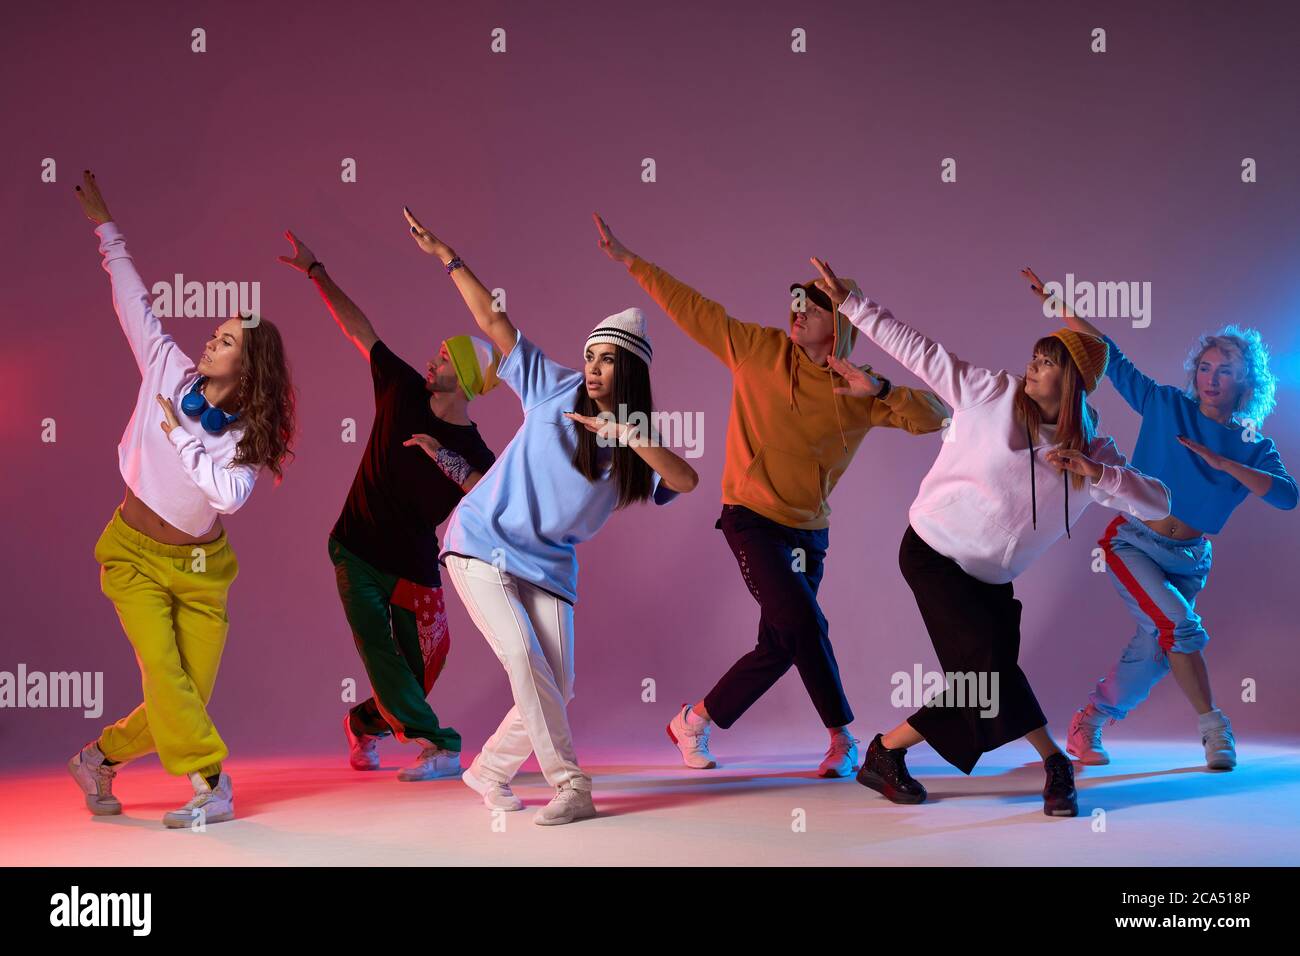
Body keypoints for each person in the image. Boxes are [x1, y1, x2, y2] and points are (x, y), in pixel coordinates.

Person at [593, 215, 948, 777]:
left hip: (809, 530)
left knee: (783, 642)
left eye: (813, 306)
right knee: (805, 623)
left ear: (840, 324)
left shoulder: (859, 387)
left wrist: (879, 387)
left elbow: (937, 417)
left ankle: (691, 721)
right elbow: (694, 308)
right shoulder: (757, 349)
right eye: (796, 302)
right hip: (749, 518)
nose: (797, 311)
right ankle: (843, 736)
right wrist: (632, 261)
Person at [815, 258, 1171, 816]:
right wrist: (853, 305)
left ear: (1074, 381)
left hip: (993, 580)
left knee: (986, 687)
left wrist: (1096, 475)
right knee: (987, 677)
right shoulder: (992, 394)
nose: (1030, 368)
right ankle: (1055, 763)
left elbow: (1159, 502)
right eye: (1033, 356)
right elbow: (921, 351)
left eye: (1047, 363)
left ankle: (885, 752)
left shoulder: (1093, 454)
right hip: (933, 552)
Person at [402, 207, 700, 825]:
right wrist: (446, 256)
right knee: (522, 660)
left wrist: (625, 432)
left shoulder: (636, 444)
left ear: (632, 372)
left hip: (549, 566)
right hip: (482, 543)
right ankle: (572, 785)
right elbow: (494, 319)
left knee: (554, 687)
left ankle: (487, 771)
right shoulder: (551, 387)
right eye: (589, 355)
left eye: (607, 359)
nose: (592, 367)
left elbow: (685, 479)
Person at [67, 171, 296, 827]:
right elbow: (135, 305)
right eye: (214, 335)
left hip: (203, 573)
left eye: (225, 341)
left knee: (181, 694)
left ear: (246, 370)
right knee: (167, 680)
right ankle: (214, 785)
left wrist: (177, 434)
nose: (209, 342)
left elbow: (225, 498)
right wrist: (106, 232)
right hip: (133, 557)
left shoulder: (248, 438)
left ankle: (98, 759)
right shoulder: (168, 370)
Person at [1018, 269, 1299, 770]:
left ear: (1246, 381)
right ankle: (1214, 728)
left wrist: (1229, 465)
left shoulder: (1254, 445)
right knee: (1181, 629)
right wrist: (1060, 305)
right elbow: (1113, 357)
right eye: (1206, 367)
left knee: (1155, 649)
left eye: (1226, 370)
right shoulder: (1166, 404)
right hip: (1135, 543)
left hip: (1190, 560)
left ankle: (1091, 719)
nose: (1212, 379)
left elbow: (1286, 497)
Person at [279, 227, 499, 780]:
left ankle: (363, 723)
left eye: (445, 357)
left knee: (427, 664)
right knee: (381, 654)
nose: (433, 359)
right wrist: (316, 271)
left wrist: (441, 457)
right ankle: (441, 745)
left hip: (415, 563)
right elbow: (362, 330)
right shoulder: (402, 389)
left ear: (465, 381)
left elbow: (486, 493)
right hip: (355, 547)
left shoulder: (477, 452)